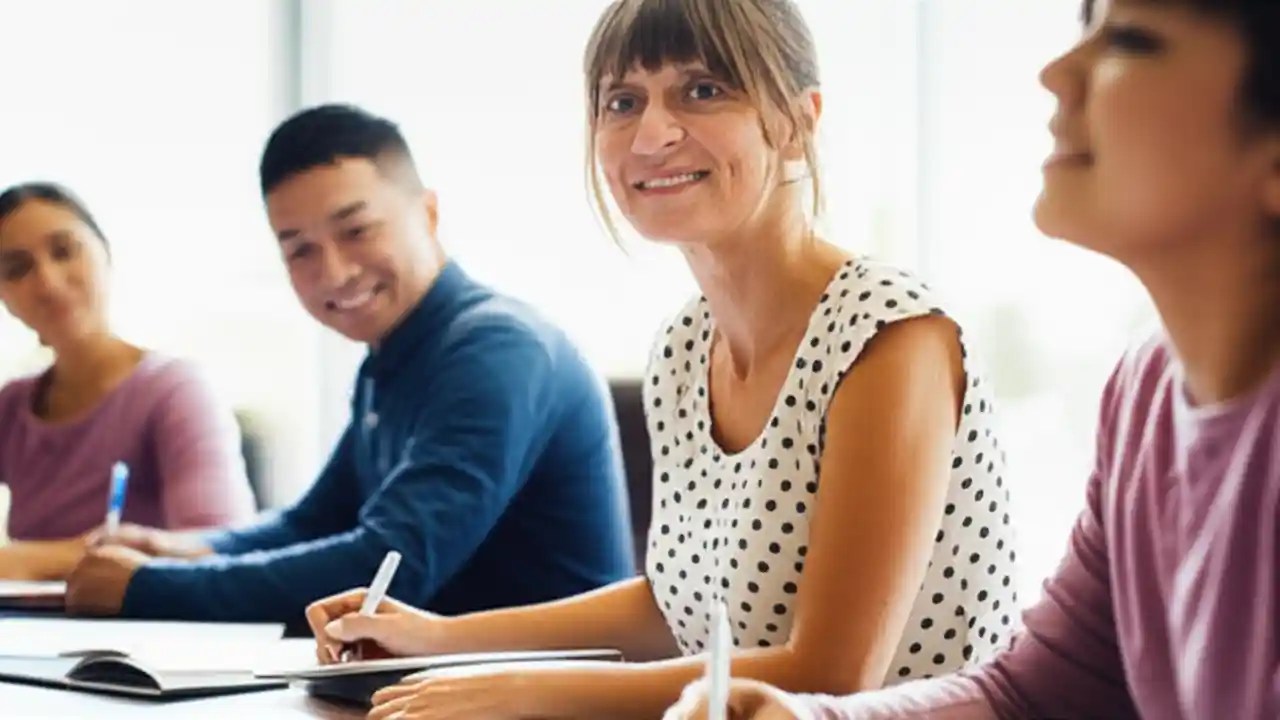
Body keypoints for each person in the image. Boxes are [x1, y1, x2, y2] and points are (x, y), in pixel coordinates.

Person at [303, 1, 1018, 717]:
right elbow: (675, 605)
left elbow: (832, 671)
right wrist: (439, 638)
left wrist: (520, 688)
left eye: (703, 90)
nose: (651, 135)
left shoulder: (889, 335)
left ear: (799, 122)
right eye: (622, 101)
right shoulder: (683, 348)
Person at [666, 0, 1280, 718]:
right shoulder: (1144, 394)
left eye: (1132, 42)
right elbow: (1031, 694)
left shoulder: (884, 328)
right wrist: (802, 717)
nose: (1056, 72)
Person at [62, 104, 636, 627]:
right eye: (300, 250)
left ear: (428, 213)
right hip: (441, 687)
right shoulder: (390, 359)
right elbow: (312, 522)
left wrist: (147, 588)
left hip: (547, 697)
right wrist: (182, 549)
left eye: (357, 231)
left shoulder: (497, 350)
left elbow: (389, 566)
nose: (334, 273)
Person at [0, 182, 256, 581]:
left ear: (106, 253)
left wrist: (23, 561)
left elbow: (215, 547)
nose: (47, 282)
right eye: (17, 269)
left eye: (64, 251)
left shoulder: (175, 390)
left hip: (145, 634)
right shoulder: (11, 407)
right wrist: (70, 555)